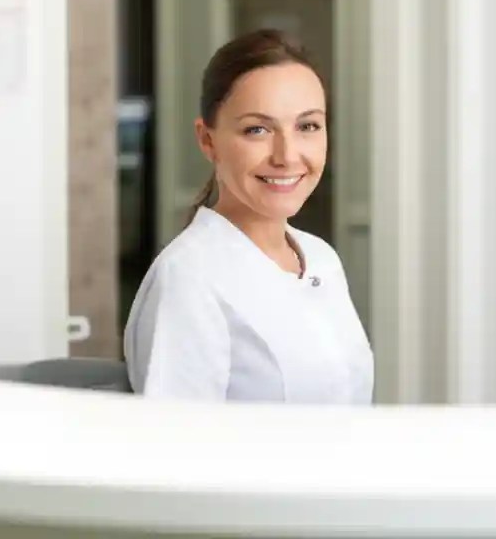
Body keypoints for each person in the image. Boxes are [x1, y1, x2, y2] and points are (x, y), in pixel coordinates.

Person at [123, 29, 374, 404]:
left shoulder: (321, 258)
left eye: (307, 126)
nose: (287, 155)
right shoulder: (190, 277)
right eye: (257, 129)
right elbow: (175, 450)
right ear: (208, 140)